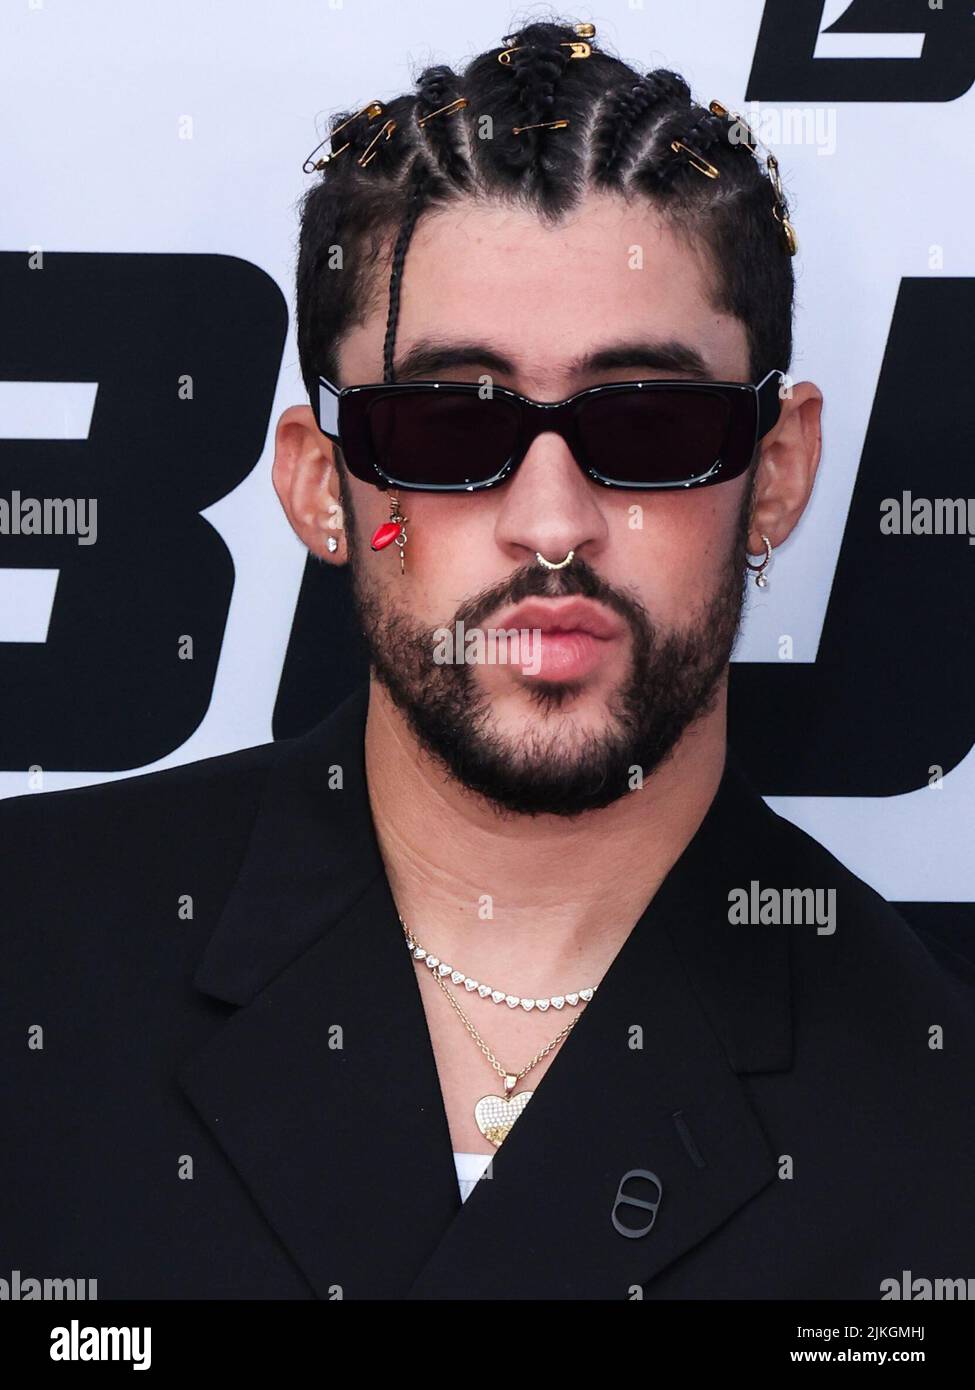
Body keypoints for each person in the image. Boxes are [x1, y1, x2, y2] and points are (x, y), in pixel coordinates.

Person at [3, 18, 973, 1301]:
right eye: (449, 421)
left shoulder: (934, 1121)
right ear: (319, 485)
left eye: (652, 419)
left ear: (777, 472)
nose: (553, 523)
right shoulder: (33, 959)